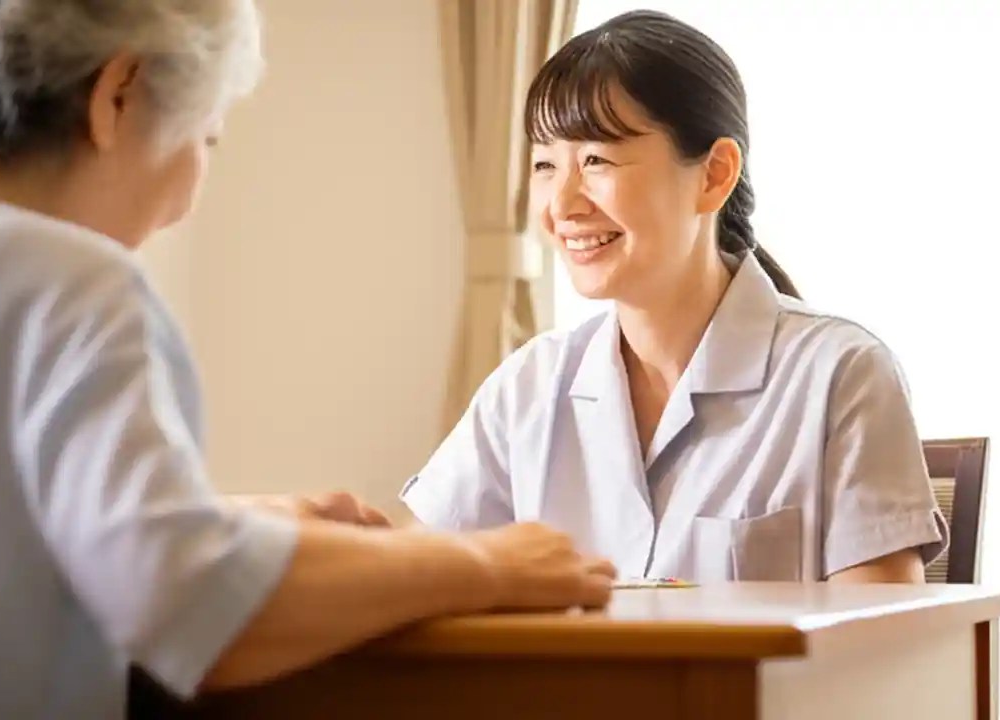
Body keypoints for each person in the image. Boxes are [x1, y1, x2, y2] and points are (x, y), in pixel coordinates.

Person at [0, 1, 614, 717]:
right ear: (117, 93)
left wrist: (220, 523)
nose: (183, 203)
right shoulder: (65, 280)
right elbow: (186, 601)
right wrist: (488, 564)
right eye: (208, 141)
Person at [402, 10, 948, 585]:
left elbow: (879, 652)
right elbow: (408, 586)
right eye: (544, 164)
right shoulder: (528, 389)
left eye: (596, 160)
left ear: (714, 175)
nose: (563, 204)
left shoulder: (840, 374)